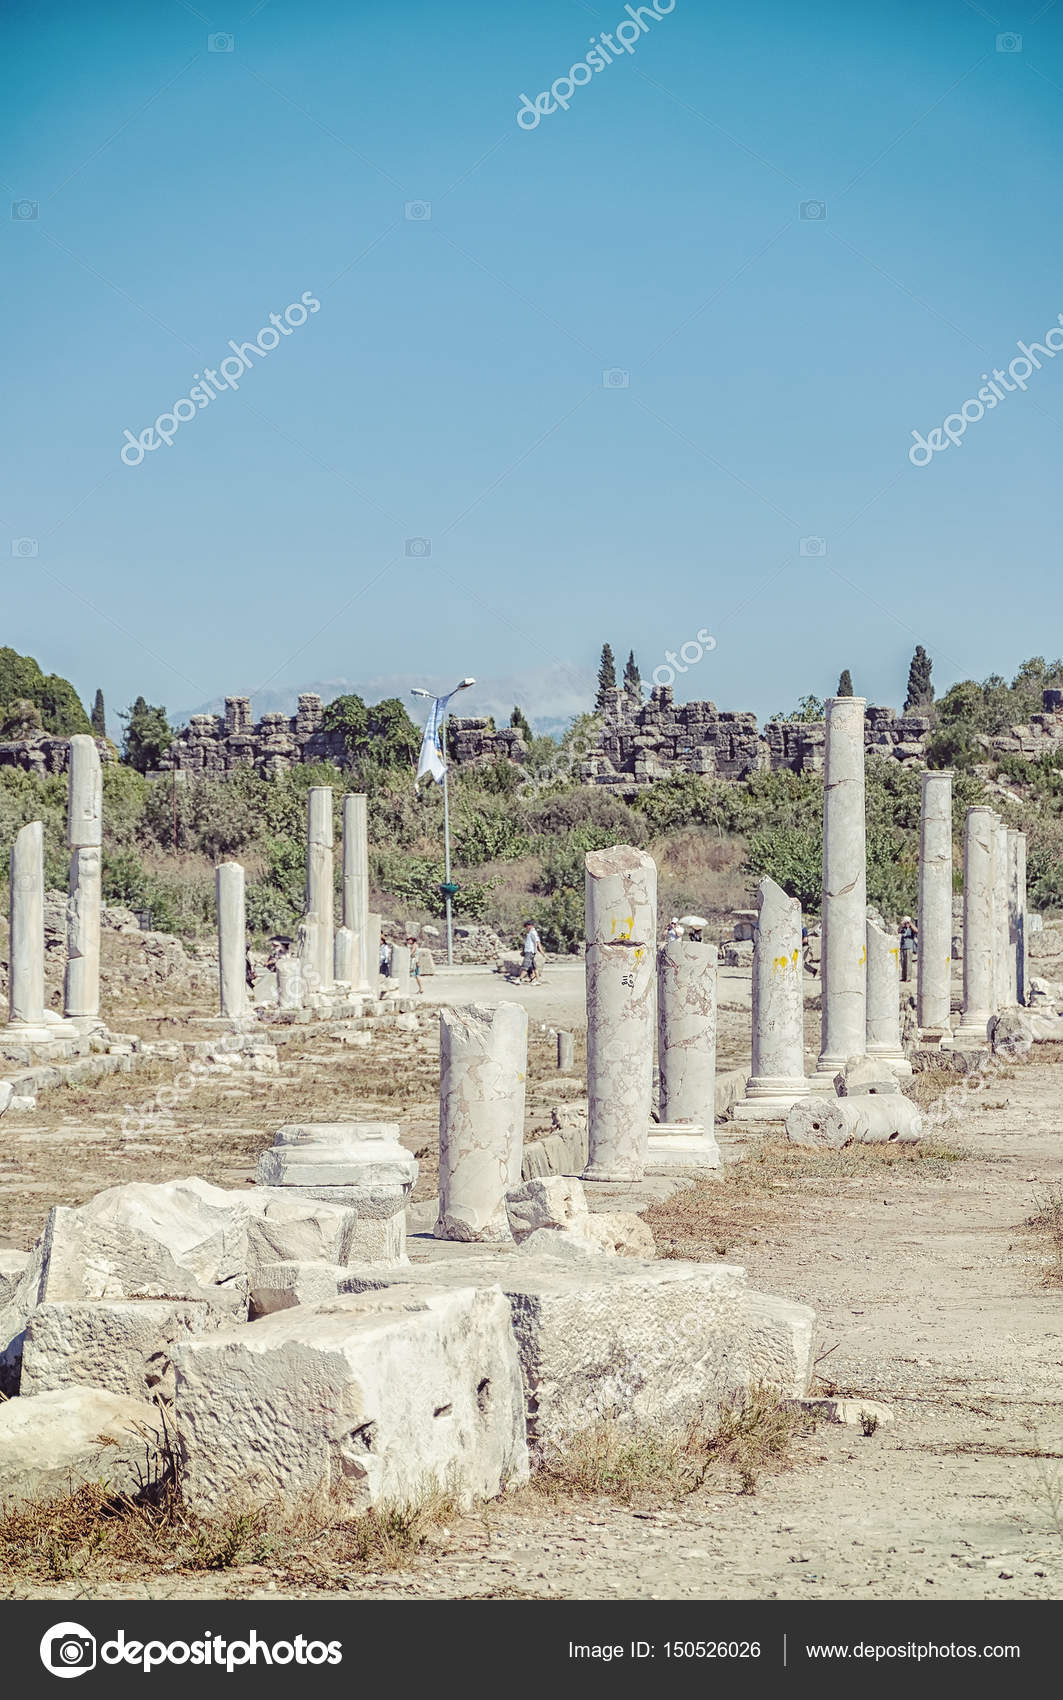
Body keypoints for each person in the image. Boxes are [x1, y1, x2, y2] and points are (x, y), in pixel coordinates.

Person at [899, 915, 917, 982]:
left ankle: (908, 978)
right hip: (903, 946)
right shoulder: (903, 928)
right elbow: (898, 930)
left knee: (908, 963)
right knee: (903, 963)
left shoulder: (911, 928)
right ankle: (903, 977)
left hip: (909, 947)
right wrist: (901, 924)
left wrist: (910, 924)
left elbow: (917, 931)